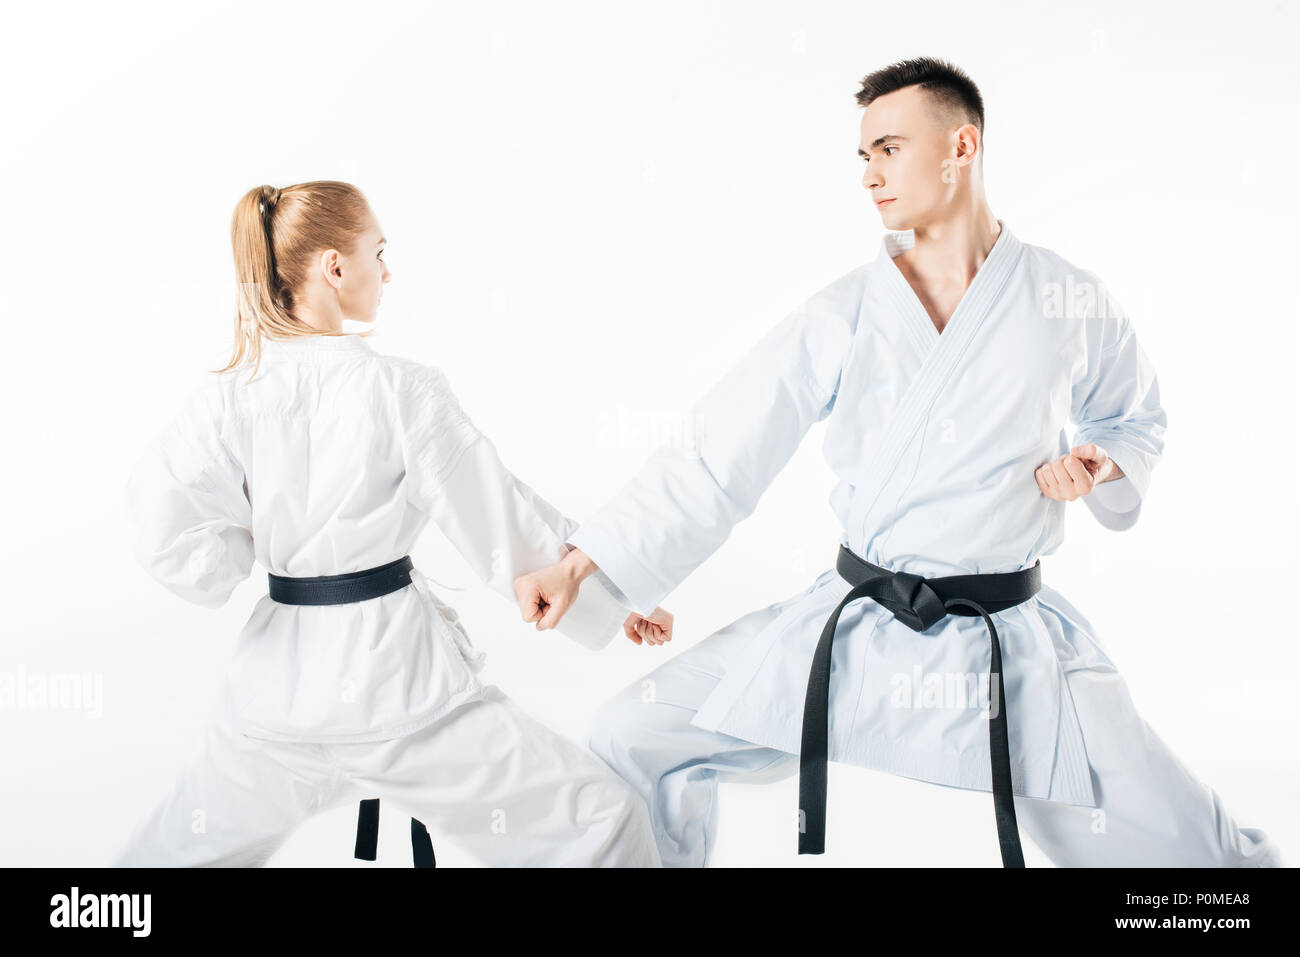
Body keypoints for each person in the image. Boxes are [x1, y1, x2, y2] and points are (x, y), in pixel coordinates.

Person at [514, 58, 1283, 868]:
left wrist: (1101, 465)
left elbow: (1135, 418)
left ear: (962, 144)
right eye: (863, 157)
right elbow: (720, 450)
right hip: (853, 632)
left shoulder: (1065, 298)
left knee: (1201, 857)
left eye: (887, 148)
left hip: (1007, 650)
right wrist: (586, 564)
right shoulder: (847, 311)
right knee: (628, 734)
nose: (870, 175)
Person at [112, 180, 660, 867]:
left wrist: (232, 554)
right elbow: (497, 512)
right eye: (378, 252)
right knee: (604, 825)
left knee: (162, 861)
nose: (388, 271)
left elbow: (160, 518)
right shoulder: (399, 391)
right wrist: (614, 589)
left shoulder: (231, 395)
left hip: (276, 699)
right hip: (399, 693)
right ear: (334, 268)